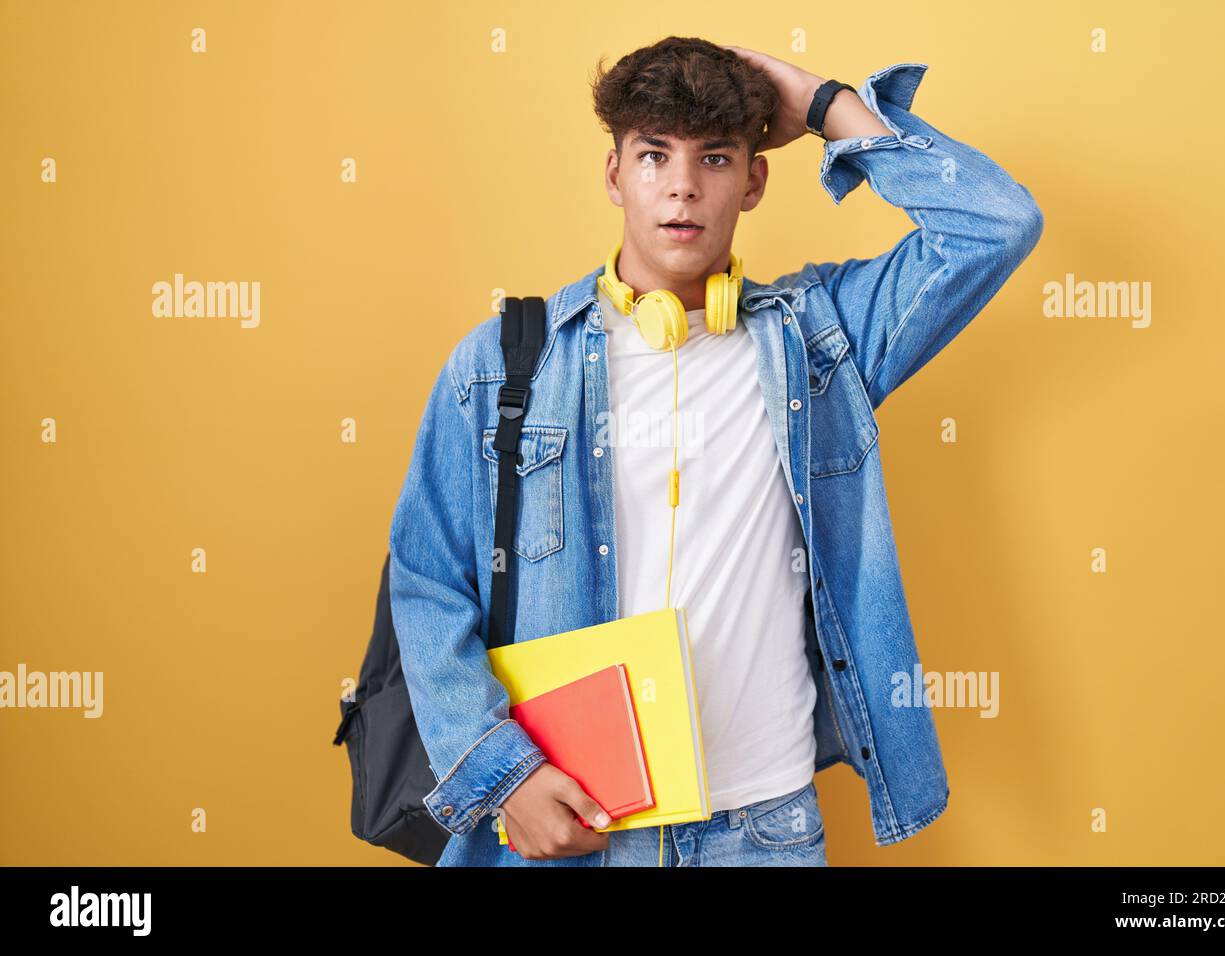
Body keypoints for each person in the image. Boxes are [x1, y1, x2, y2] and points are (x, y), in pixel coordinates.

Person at [388, 36, 1043, 867]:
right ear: (614, 173)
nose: (683, 185)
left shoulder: (821, 340)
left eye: (717, 156)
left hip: (764, 830)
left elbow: (996, 223)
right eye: (654, 154)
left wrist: (817, 102)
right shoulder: (501, 364)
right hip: (570, 823)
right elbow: (425, 580)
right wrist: (503, 776)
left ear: (756, 179)